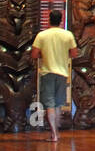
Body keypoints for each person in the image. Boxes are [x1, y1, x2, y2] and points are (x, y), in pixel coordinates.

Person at [31, 9, 77, 142]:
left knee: (49, 104)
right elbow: (74, 53)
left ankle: (54, 134)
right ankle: (56, 133)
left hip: (47, 72)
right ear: (61, 20)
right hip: (62, 73)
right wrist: (63, 55)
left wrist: (44, 55)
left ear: (48, 20)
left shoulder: (42, 35)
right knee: (58, 104)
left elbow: (34, 54)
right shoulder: (68, 35)